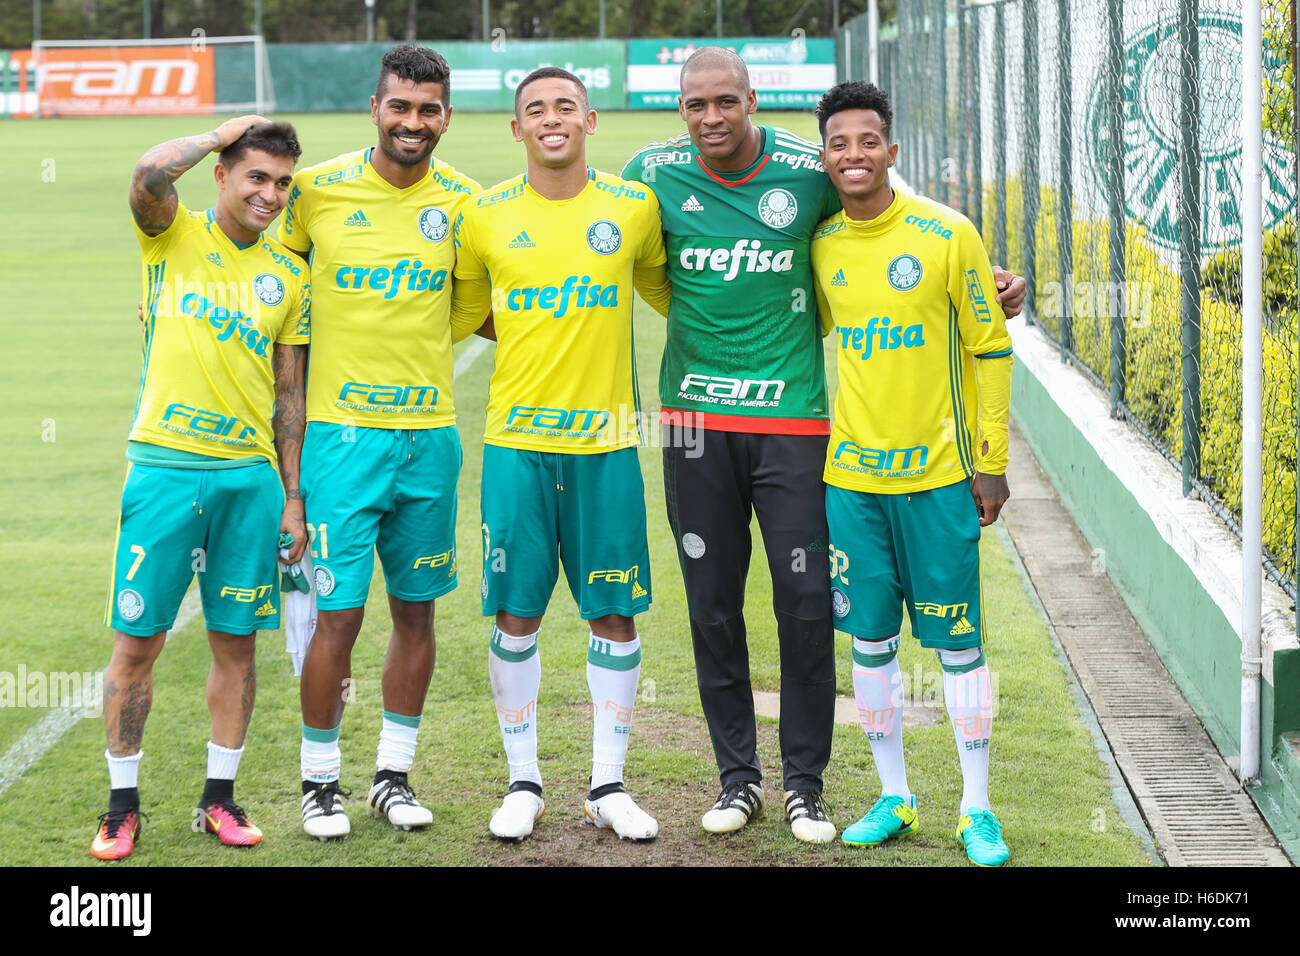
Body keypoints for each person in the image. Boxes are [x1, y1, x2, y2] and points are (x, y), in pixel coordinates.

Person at [622, 46, 1026, 843]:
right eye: (695, 104)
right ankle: (739, 781)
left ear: (752, 100)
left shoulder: (811, 173)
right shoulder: (649, 172)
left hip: (799, 425)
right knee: (711, 606)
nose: (711, 118)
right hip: (696, 422)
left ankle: (806, 785)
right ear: (680, 107)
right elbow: (640, 267)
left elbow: (886, 234)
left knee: (809, 605)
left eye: (725, 102)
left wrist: (997, 279)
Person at [450, 66, 672, 842]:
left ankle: (609, 784)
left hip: (608, 447)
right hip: (516, 445)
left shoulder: (634, 208)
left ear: (590, 120)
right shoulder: (481, 216)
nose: (552, 119)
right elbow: (471, 313)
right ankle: (524, 782)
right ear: (516, 129)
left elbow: (671, 287)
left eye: (565, 107)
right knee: (516, 612)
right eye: (535, 110)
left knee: (614, 611)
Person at [276, 45, 481, 839]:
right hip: (338, 443)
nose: (413, 122)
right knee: (338, 617)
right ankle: (319, 780)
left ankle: (392, 776)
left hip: (429, 438)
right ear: (375, 108)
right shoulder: (315, 194)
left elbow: (465, 312)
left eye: (429, 109)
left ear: (447, 117)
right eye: (401, 106)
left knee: (418, 613)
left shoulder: (465, 203)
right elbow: (279, 304)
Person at [94, 116, 310, 860]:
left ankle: (219, 799)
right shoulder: (170, 234)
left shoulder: (291, 276)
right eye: (256, 176)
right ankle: (121, 807)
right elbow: (150, 173)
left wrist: (292, 496)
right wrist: (223, 132)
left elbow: (290, 398)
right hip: (161, 468)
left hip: (249, 481)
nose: (270, 194)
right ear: (221, 174)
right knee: (137, 643)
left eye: (283, 183)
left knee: (236, 645)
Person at [811, 80, 1013, 866]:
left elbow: (991, 348)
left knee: (958, 647)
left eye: (868, 142)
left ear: (892, 151)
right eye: (839, 144)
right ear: (825, 157)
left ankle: (976, 808)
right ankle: (894, 796)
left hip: (938, 481)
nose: (854, 155)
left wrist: (989, 467)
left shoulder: (947, 233)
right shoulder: (823, 245)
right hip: (852, 482)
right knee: (869, 643)